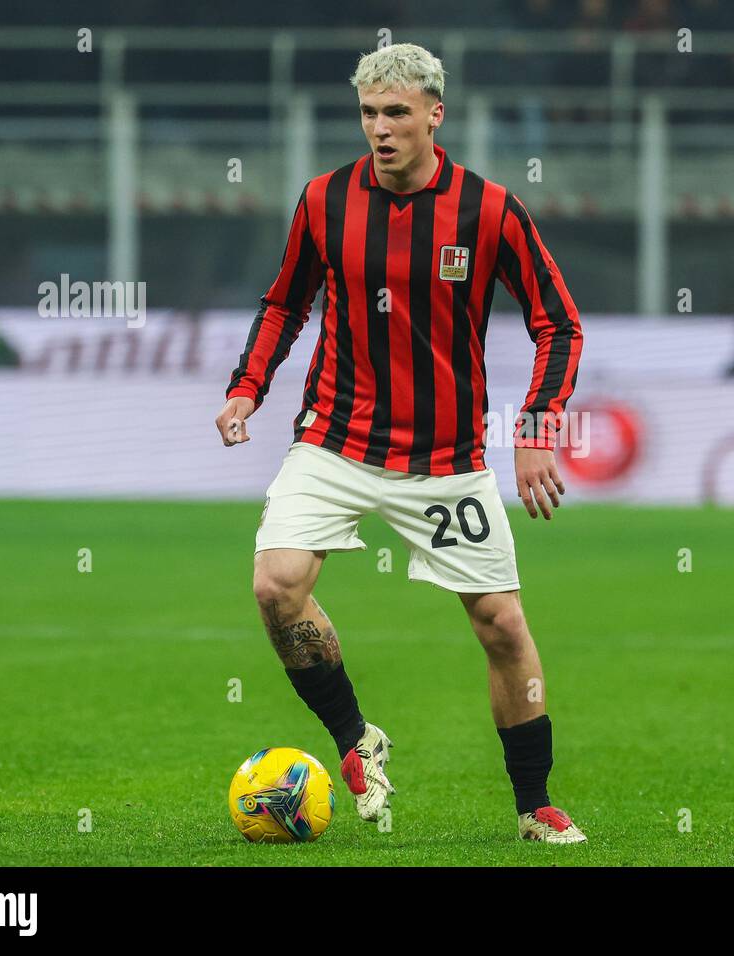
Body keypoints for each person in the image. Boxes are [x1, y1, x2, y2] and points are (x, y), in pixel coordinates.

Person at [214, 44, 586, 843]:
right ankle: (355, 741)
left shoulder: (489, 211)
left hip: (444, 460)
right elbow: (284, 303)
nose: (379, 130)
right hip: (335, 438)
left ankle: (535, 806)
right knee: (276, 585)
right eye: (368, 114)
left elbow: (557, 320)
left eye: (395, 114)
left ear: (433, 116)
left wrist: (537, 426)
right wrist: (248, 385)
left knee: (502, 627)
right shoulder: (325, 200)